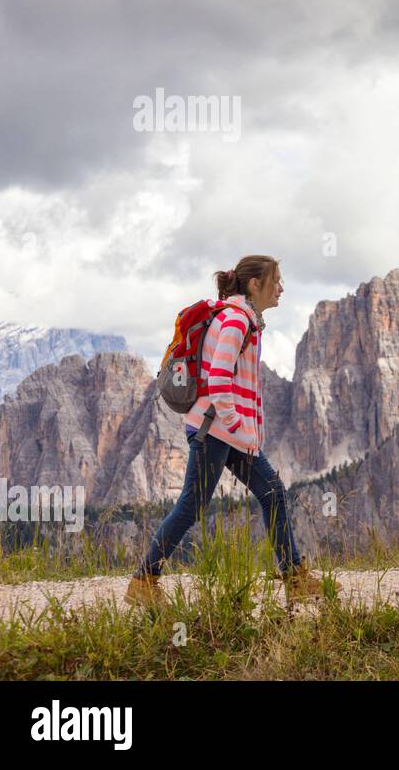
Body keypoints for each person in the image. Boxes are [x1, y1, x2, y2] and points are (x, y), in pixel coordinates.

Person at [125, 256, 322, 607]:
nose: (281, 288)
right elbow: (218, 379)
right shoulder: (234, 321)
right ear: (254, 285)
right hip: (213, 431)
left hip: (226, 433)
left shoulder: (244, 320)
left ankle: (294, 577)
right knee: (192, 505)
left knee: (272, 491)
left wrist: (244, 431)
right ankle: (143, 580)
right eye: (275, 280)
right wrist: (236, 427)